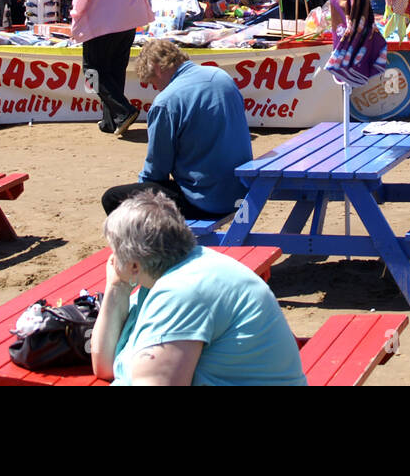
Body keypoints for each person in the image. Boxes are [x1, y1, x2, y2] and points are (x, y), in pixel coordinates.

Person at [91, 190, 307, 386]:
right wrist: (116, 286)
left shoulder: (183, 290)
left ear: (135, 265)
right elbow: (105, 366)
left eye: (115, 252)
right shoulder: (171, 272)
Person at [101, 39, 251, 219]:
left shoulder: (166, 101)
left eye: (152, 82)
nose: (156, 88)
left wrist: (143, 192)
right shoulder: (220, 76)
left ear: (156, 68)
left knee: (112, 198)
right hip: (241, 191)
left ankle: (149, 246)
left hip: (206, 200)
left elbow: (156, 171)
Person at [72, 0, 153, 138]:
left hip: (101, 20)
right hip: (128, 17)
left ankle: (123, 111)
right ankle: (111, 120)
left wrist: (76, 12)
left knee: (92, 71)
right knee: (115, 70)